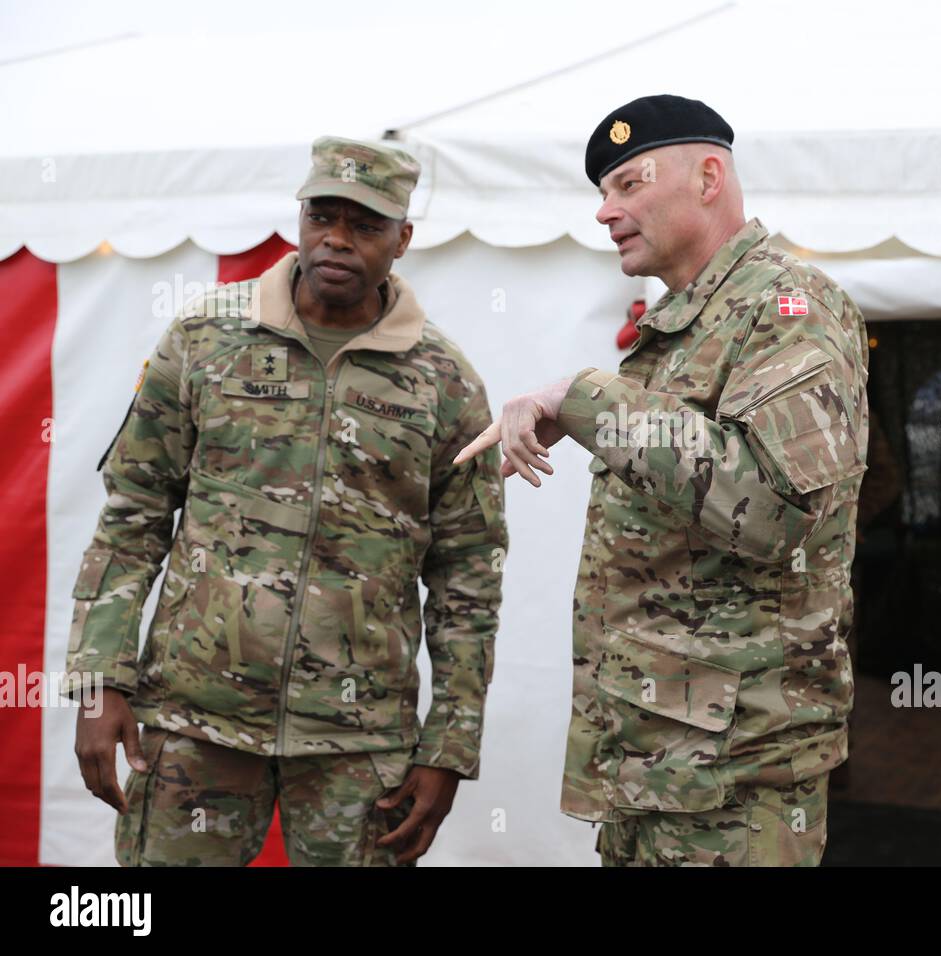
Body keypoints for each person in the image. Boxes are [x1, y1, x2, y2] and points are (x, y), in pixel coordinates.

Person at [64, 136, 508, 865]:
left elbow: (468, 575)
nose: (336, 239)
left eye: (364, 224)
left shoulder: (443, 380)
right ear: (299, 215)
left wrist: (451, 743)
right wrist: (97, 681)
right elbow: (132, 518)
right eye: (321, 215)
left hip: (360, 745)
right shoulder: (207, 339)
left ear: (403, 238)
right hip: (193, 722)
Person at [456, 94, 871, 866]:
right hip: (662, 757)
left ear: (709, 176)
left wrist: (585, 398)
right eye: (602, 193)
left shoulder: (790, 307)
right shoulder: (688, 324)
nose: (606, 212)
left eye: (628, 184)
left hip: (737, 778)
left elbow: (774, 510)